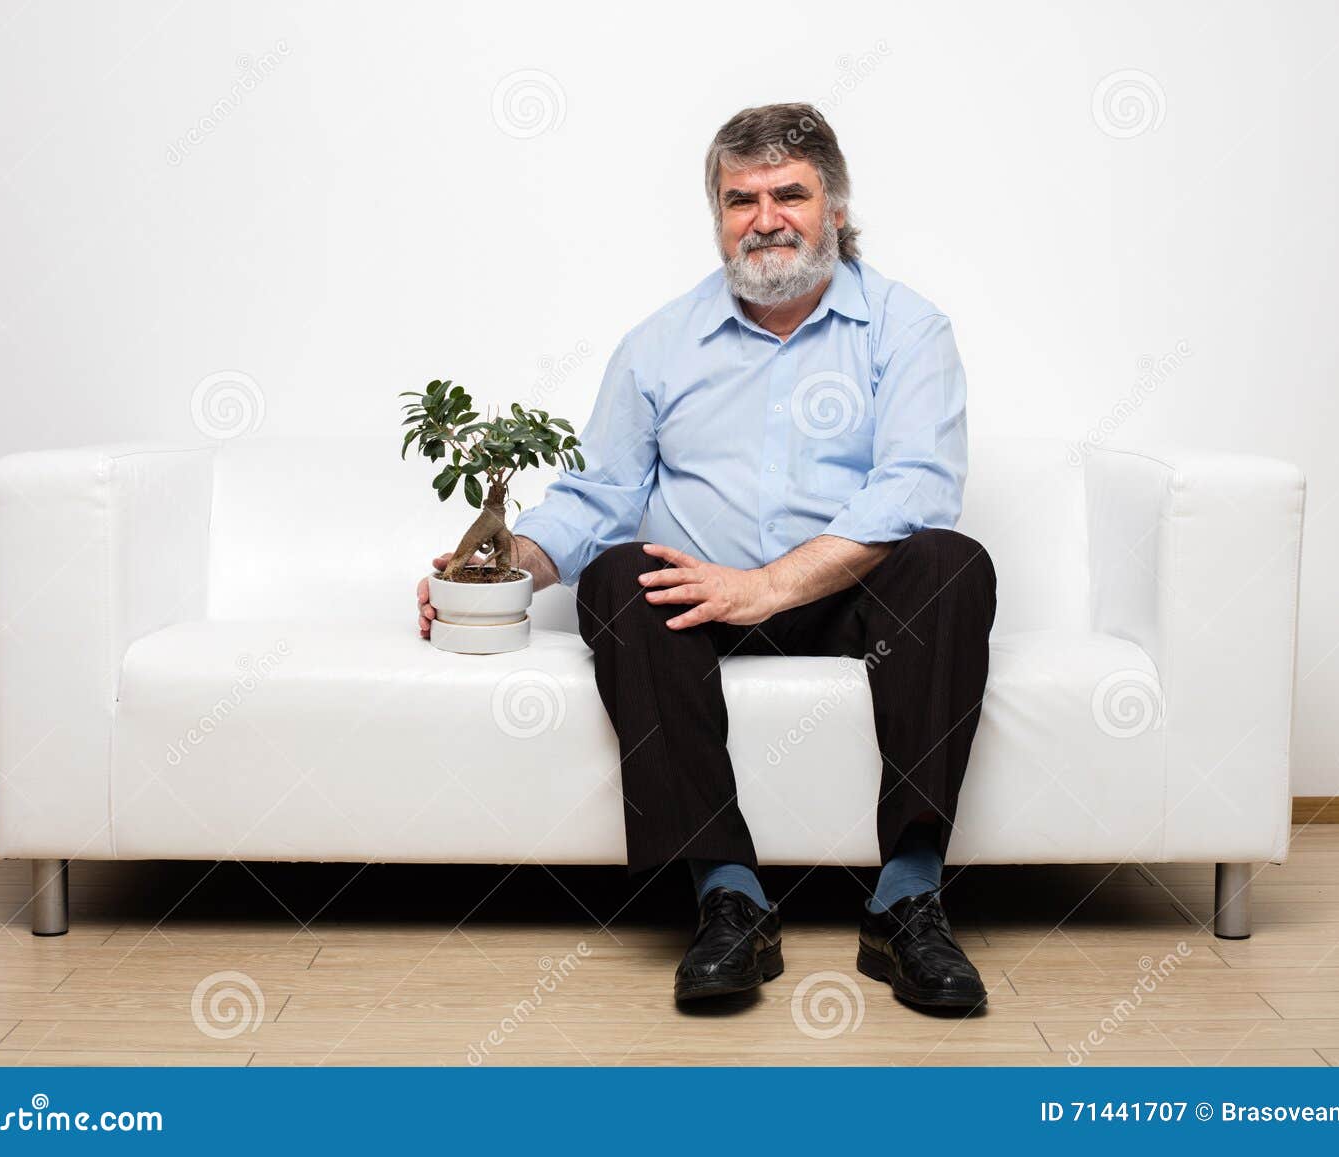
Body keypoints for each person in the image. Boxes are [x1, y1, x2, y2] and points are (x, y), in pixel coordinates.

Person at [416, 102, 996, 1010]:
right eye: (740, 199)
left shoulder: (906, 328)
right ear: (718, 216)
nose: (764, 217)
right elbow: (596, 500)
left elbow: (916, 488)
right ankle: (728, 895)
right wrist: (489, 573)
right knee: (615, 577)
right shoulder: (659, 344)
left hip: (853, 599)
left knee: (951, 562)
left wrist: (768, 585)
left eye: (789, 194)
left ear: (834, 210)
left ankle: (908, 898)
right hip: (701, 610)